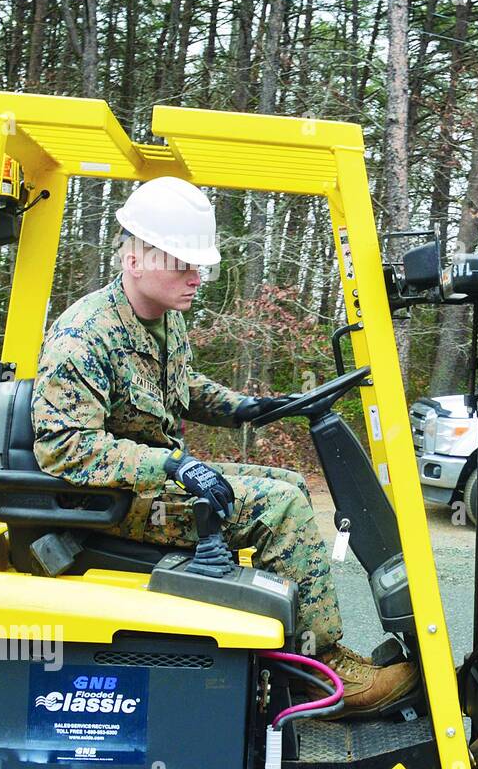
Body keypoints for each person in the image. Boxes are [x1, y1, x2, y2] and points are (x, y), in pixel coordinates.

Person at [31, 176, 416, 717]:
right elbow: (65, 448)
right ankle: (319, 671)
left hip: (155, 481)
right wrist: (172, 463)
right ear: (136, 259)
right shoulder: (85, 335)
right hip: (108, 500)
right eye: (184, 264)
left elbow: (182, 387)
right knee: (278, 508)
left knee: (287, 484)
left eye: (201, 267)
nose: (197, 279)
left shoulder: (163, 321)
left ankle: (294, 650)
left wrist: (248, 406)